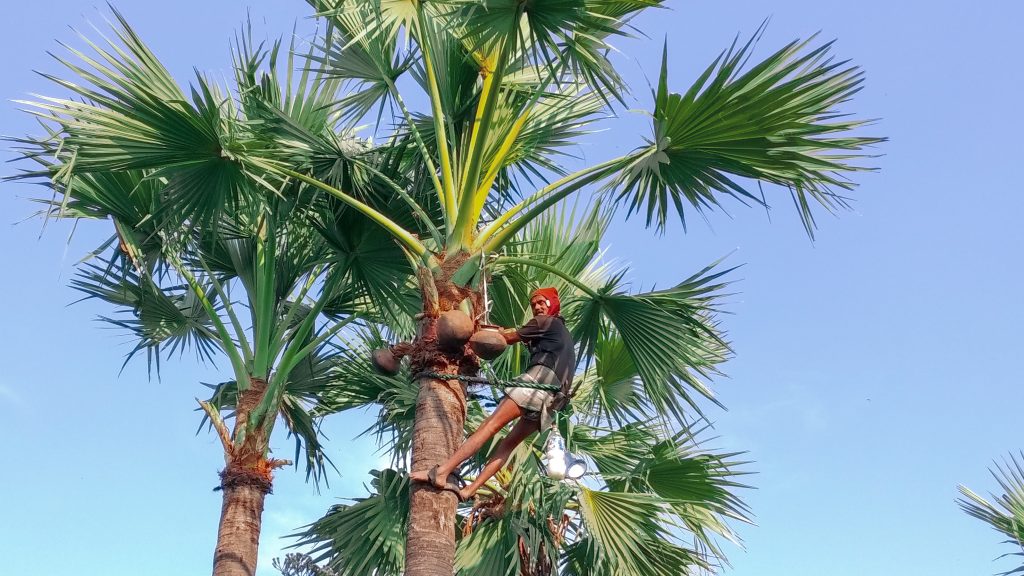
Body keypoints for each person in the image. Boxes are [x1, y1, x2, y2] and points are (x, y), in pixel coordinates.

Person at [411, 287, 575, 501]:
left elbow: (505, 339)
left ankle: (441, 472)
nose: (536, 307)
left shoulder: (545, 322)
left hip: (539, 381)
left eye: (541, 302)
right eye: (534, 304)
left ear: (552, 304)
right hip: (555, 399)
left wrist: (474, 333)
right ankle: (470, 490)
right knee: (508, 444)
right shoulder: (560, 330)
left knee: (490, 426)